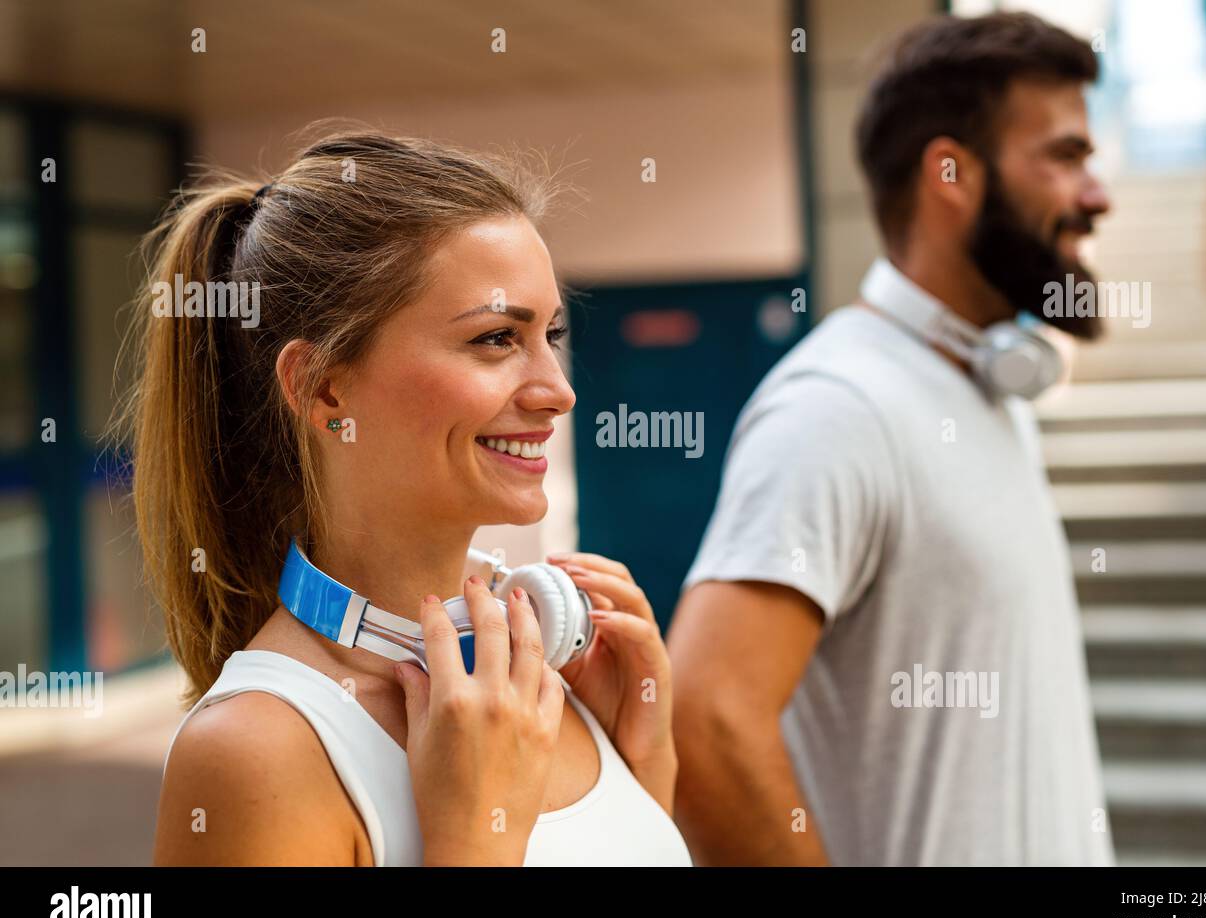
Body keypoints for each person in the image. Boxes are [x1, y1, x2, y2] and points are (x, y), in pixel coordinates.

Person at [125, 129, 690, 866]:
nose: (559, 390)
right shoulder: (252, 753)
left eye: (550, 333)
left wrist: (642, 769)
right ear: (324, 388)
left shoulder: (544, 677)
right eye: (495, 338)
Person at [668, 12, 1115, 866]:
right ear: (950, 172)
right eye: (1064, 156)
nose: (1096, 196)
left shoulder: (984, 385)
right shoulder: (838, 405)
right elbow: (704, 715)